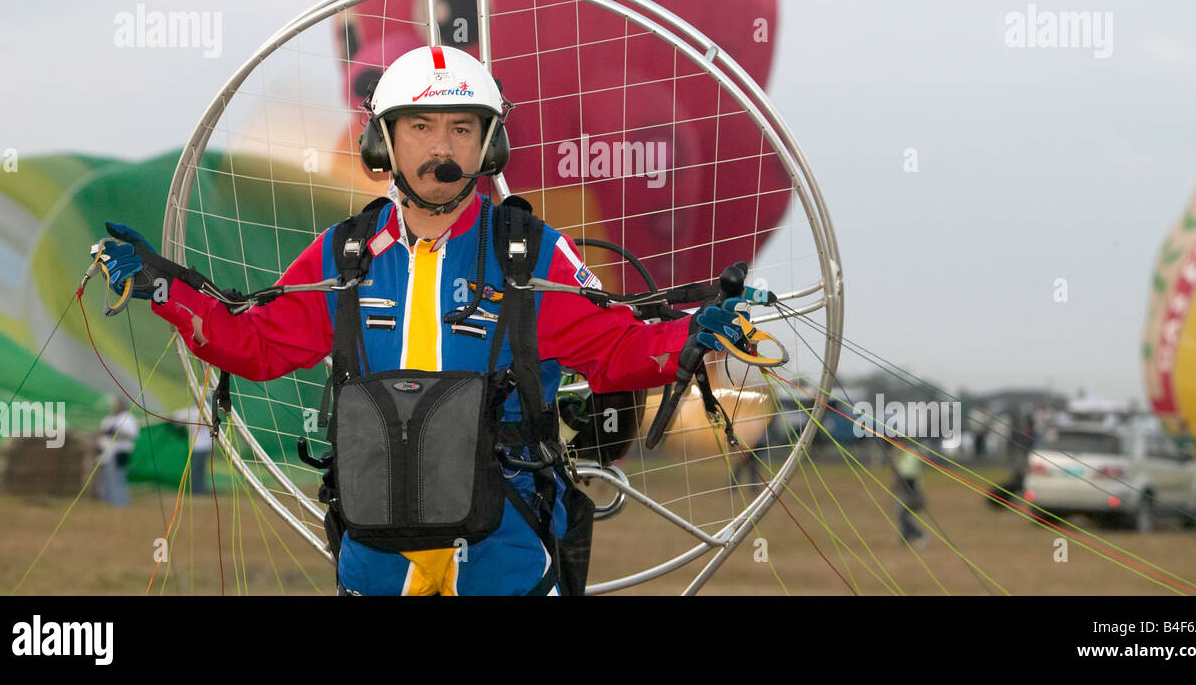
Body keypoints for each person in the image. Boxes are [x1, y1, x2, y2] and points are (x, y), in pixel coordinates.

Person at [94, 45, 748, 595]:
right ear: (385, 140)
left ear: (488, 144)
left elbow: (615, 352)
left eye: (462, 128)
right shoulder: (343, 253)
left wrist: (690, 338)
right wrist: (164, 289)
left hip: (506, 553)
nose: (443, 147)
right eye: (422, 127)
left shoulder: (529, 252)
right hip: (377, 556)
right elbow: (257, 344)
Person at [96, 398, 139, 507]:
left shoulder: (128, 418)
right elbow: (101, 432)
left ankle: (120, 502)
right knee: (105, 478)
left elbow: (132, 434)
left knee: (117, 477)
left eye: (119, 404)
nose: (116, 407)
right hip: (106, 453)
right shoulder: (109, 419)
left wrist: (117, 432)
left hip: (119, 452)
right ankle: (107, 501)